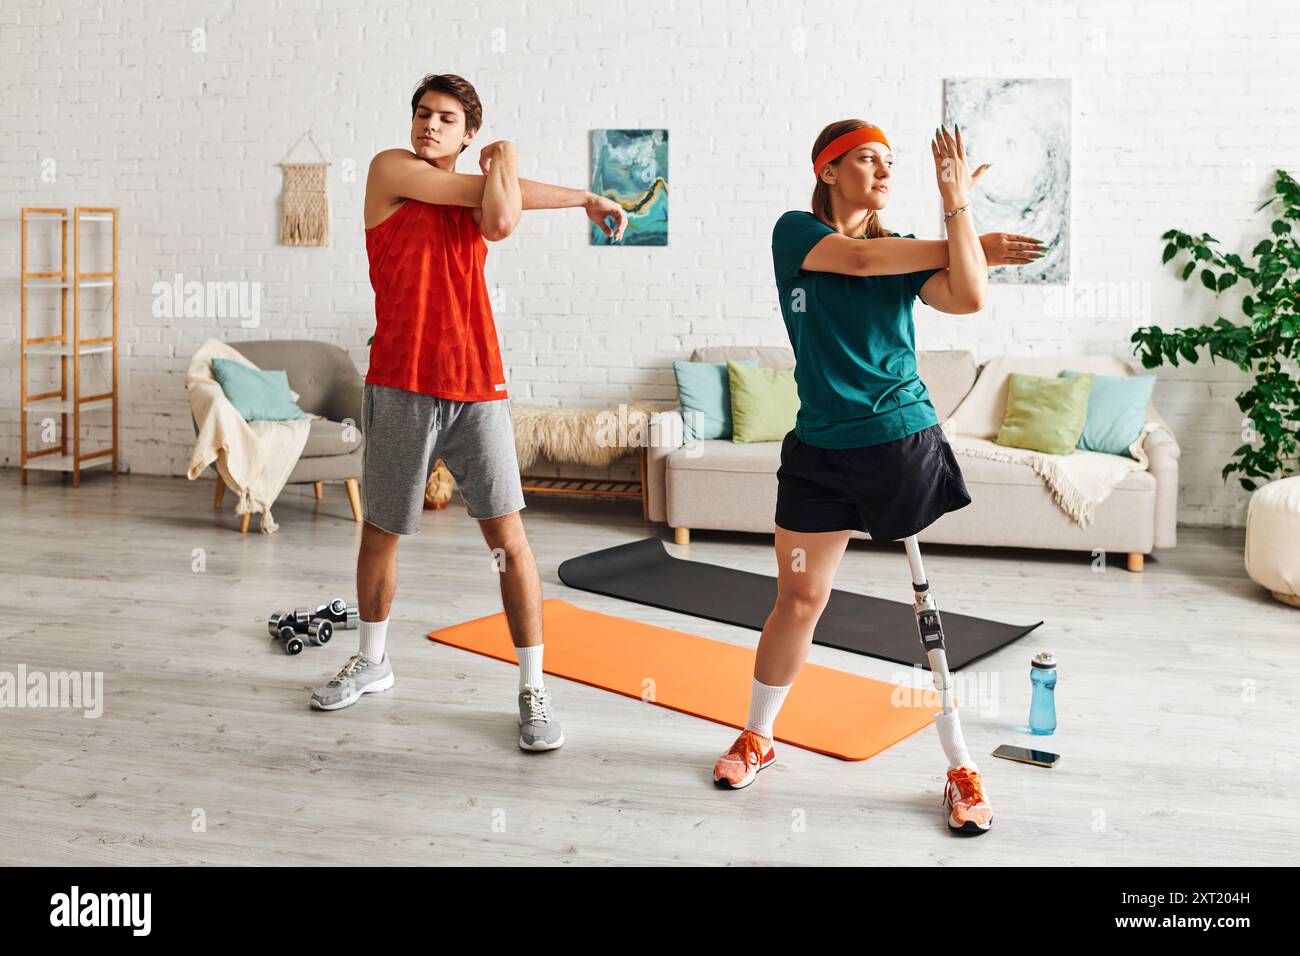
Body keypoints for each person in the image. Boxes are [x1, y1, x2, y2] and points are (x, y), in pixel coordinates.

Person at [710, 119, 1043, 833]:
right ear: (828, 170)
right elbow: (859, 265)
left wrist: (959, 208)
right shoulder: (796, 233)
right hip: (820, 451)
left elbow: (970, 297)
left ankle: (960, 765)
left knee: (923, 603)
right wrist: (964, 241)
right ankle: (759, 735)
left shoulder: (906, 252)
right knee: (798, 599)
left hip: (898, 441)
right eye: (867, 158)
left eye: (891, 162)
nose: (884, 169)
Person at [310, 73, 628, 755]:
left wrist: (586, 200)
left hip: (477, 387)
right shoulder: (392, 171)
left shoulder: (482, 189)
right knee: (381, 534)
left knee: (509, 541)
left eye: (446, 119)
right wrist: (506, 155)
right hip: (401, 382)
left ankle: (533, 687)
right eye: (422, 114)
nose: (428, 125)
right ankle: (373, 661)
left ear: (467, 133)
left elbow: (500, 207)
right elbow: (500, 210)